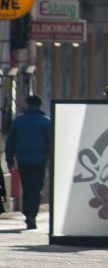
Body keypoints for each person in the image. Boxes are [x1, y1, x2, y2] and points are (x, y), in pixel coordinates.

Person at [4, 95, 51, 229]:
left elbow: (10, 141)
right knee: (36, 188)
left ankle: (27, 215)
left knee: (26, 186)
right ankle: (32, 215)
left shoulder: (18, 121)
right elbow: (51, 141)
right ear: (40, 105)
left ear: (26, 104)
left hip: (22, 159)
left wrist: (9, 159)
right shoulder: (45, 122)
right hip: (40, 159)